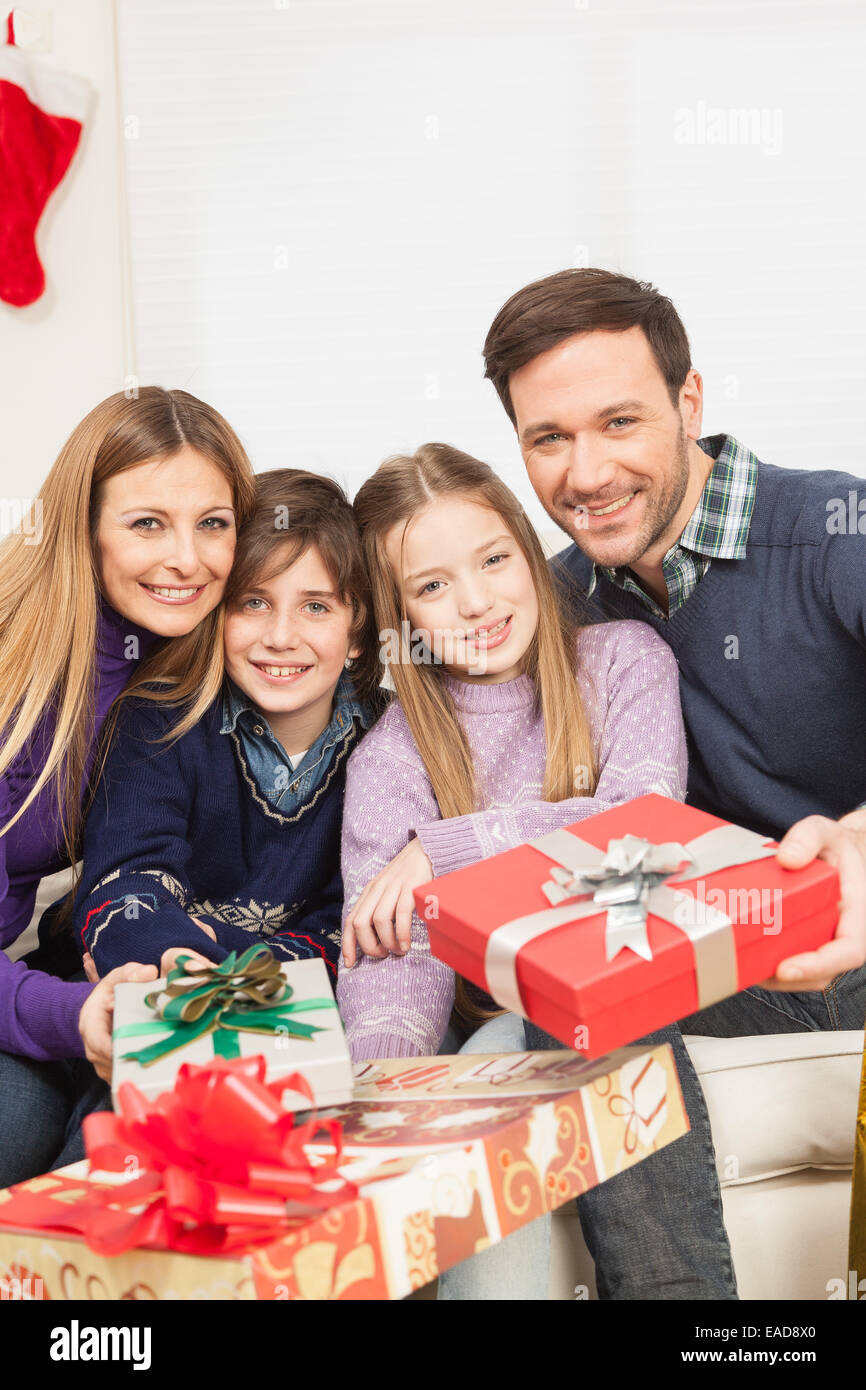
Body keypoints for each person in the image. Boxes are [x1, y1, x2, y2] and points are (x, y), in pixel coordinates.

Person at [477, 265, 866, 1298]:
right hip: (733, 973)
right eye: (547, 438)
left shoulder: (836, 531)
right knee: (574, 976)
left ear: (689, 401)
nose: (585, 472)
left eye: (618, 421)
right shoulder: (554, 606)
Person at [337, 441, 689, 1297]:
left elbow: (643, 829)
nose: (476, 601)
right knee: (474, 1077)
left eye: (493, 560)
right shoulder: (391, 756)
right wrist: (381, 1095)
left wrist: (451, 847)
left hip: (623, 992)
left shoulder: (623, 659)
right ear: (398, 615)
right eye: (432, 586)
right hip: (487, 1018)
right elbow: (392, 949)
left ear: (529, 553)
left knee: (512, 1049)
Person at [0, 387, 257, 1187]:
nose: (187, 559)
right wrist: (70, 1012)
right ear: (84, 528)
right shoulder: (16, 671)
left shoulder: (193, 658)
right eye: (147, 523)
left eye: (212, 523)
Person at [75, 469, 377, 980]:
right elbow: (125, 885)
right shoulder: (158, 721)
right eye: (254, 602)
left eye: (315, 606)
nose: (280, 636)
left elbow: (351, 923)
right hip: (157, 986)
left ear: (358, 635)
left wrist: (229, 951)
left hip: (293, 1003)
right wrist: (179, 956)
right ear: (218, 611)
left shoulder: (388, 740)